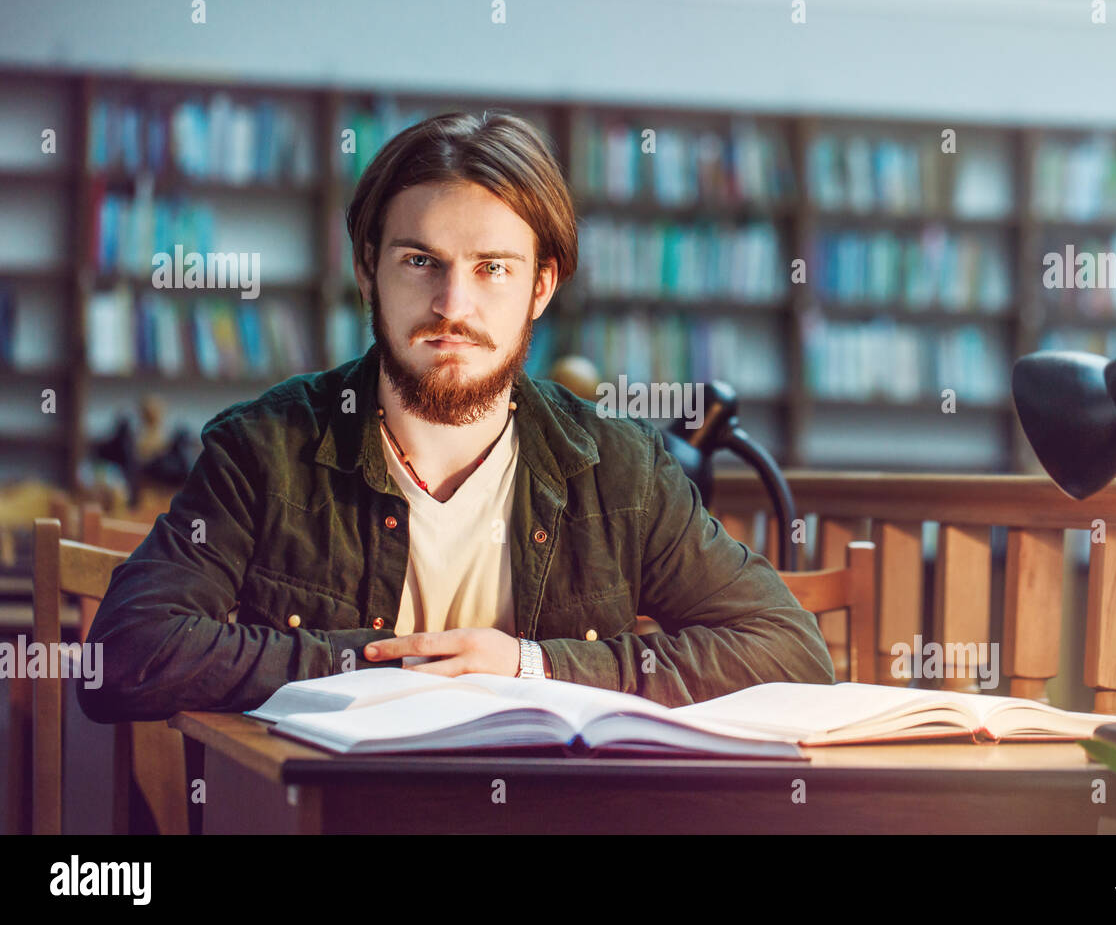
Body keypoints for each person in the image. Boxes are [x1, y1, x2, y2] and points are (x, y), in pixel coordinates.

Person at [78, 111, 835, 723]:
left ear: (541, 286)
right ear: (365, 268)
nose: (452, 306)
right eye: (419, 261)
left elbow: (790, 650)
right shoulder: (264, 447)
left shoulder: (622, 468)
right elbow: (123, 656)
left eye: (491, 269)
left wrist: (531, 666)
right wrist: (378, 664)